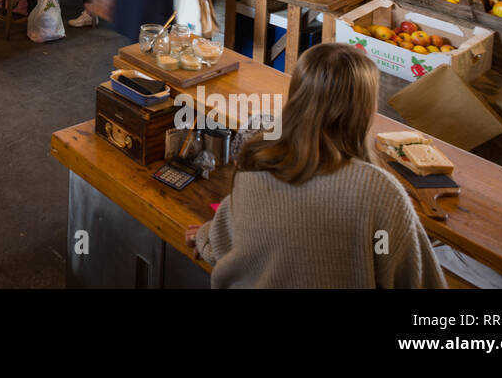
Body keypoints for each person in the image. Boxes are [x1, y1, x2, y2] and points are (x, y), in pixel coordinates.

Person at [187, 43, 446, 288]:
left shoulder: (255, 163)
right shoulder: (380, 192)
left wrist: (205, 235)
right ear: (367, 110)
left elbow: (231, 234)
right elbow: (418, 279)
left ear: (295, 97)